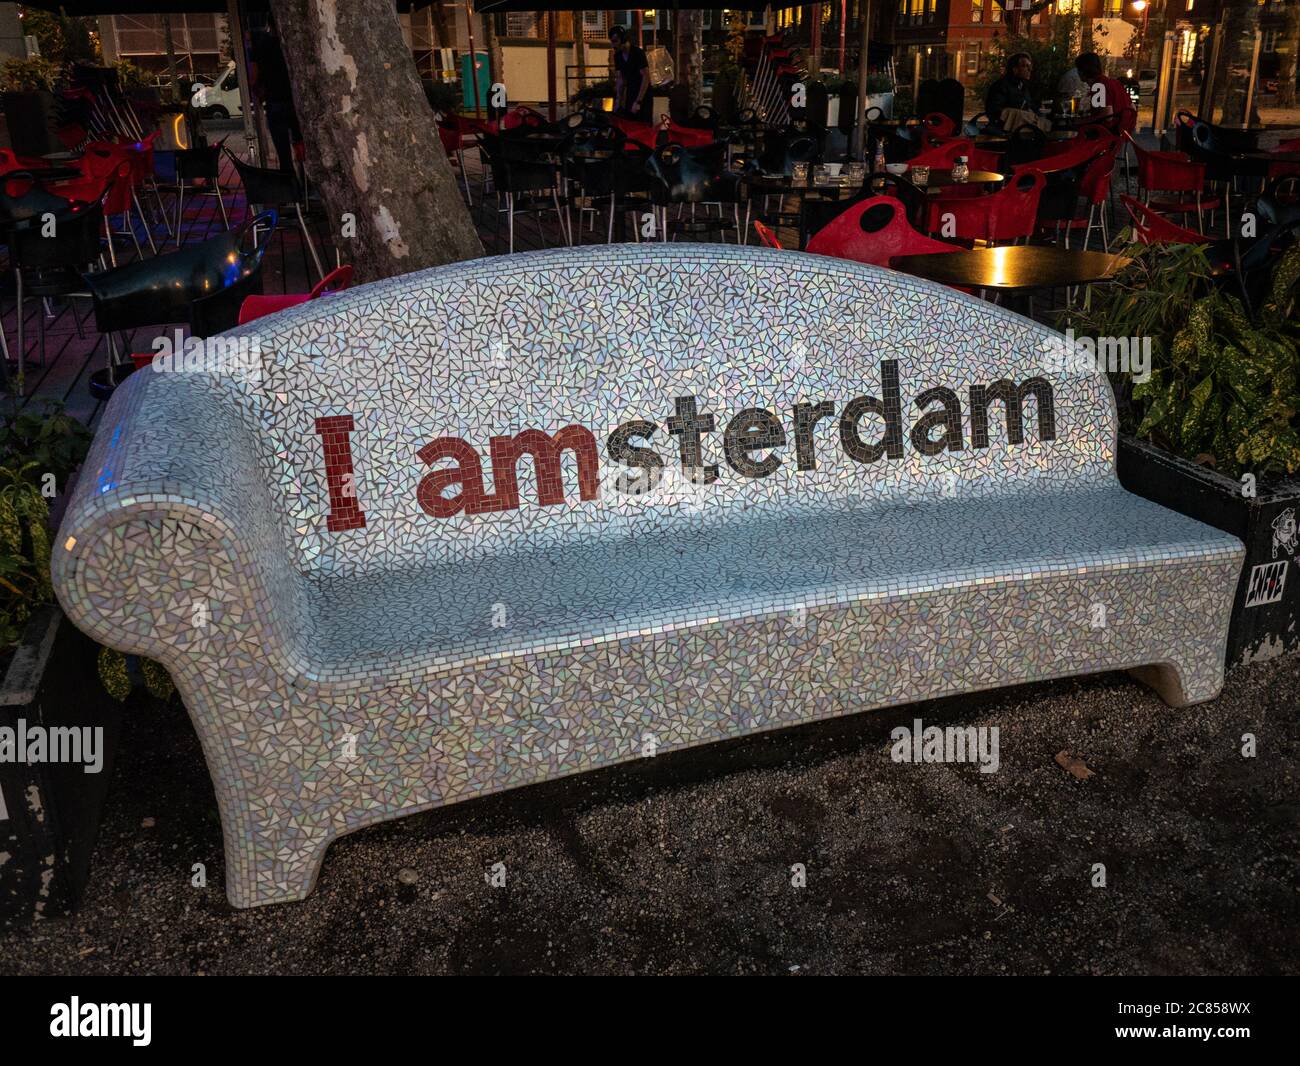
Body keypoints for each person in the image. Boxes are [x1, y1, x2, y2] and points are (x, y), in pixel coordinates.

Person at [249, 22, 300, 174]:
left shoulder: (261, 46)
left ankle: (290, 184)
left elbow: (254, 76)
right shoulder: (292, 43)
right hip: (293, 100)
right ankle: (306, 182)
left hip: (274, 100)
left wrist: (259, 94)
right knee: (301, 145)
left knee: (283, 152)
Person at [1075, 52, 1136, 132]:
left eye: (1078, 69)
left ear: (1082, 71)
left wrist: (1081, 121)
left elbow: (1107, 115)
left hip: (1105, 135)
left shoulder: (1098, 85)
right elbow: (1133, 108)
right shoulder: (1115, 82)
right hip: (1122, 134)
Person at [609, 25, 652, 125]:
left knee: (643, 125)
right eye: (612, 41)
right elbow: (621, 78)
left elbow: (646, 77)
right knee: (630, 123)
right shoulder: (618, 56)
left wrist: (638, 101)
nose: (613, 45)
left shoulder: (637, 53)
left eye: (615, 41)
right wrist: (618, 101)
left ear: (623, 40)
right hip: (631, 92)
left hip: (643, 94)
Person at [984, 53, 1036, 128]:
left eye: (1030, 66)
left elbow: (1029, 105)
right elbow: (994, 111)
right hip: (1006, 128)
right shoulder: (1001, 86)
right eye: (1025, 66)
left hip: (1023, 126)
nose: (1029, 69)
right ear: (1015, 69)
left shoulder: (1023, 86)